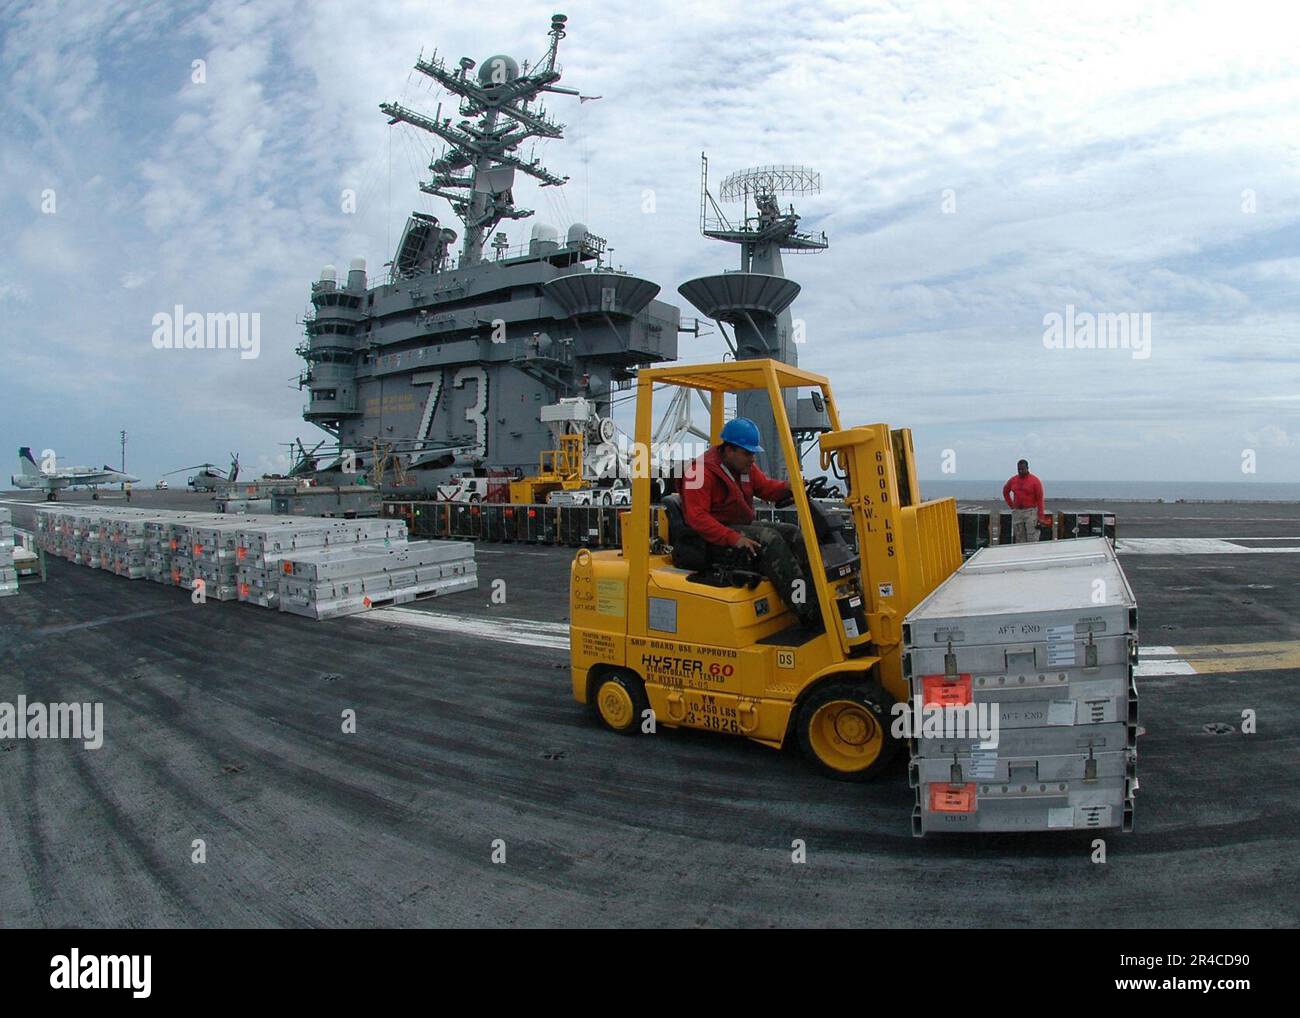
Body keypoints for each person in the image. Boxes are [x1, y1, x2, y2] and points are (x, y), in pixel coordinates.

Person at [681, 418, 819, 628]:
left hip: (736, 527)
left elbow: (766, 488)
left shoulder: (744, 468)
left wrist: (788, 487)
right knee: (769, 540)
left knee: (793, 533)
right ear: (729, 450)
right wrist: (734, 539)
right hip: (712, 538)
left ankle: (816, 598)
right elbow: (697, 517)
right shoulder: (699, 471)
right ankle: (807, 611)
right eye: (748, 453)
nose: (752, 458)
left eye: (753, 453)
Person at [1002, 459, 1045, 543]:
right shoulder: (1013, 480)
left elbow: (1040, 499)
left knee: (1032, 538)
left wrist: (1041, 517)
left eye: (1023, 469)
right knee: (1019, 538)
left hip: (1030, 512)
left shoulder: (1035, 481)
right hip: (1017, 512)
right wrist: (1011, 505)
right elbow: (1005, 491)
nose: (1021, 471)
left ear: (1027, 468)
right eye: (1019, 469)